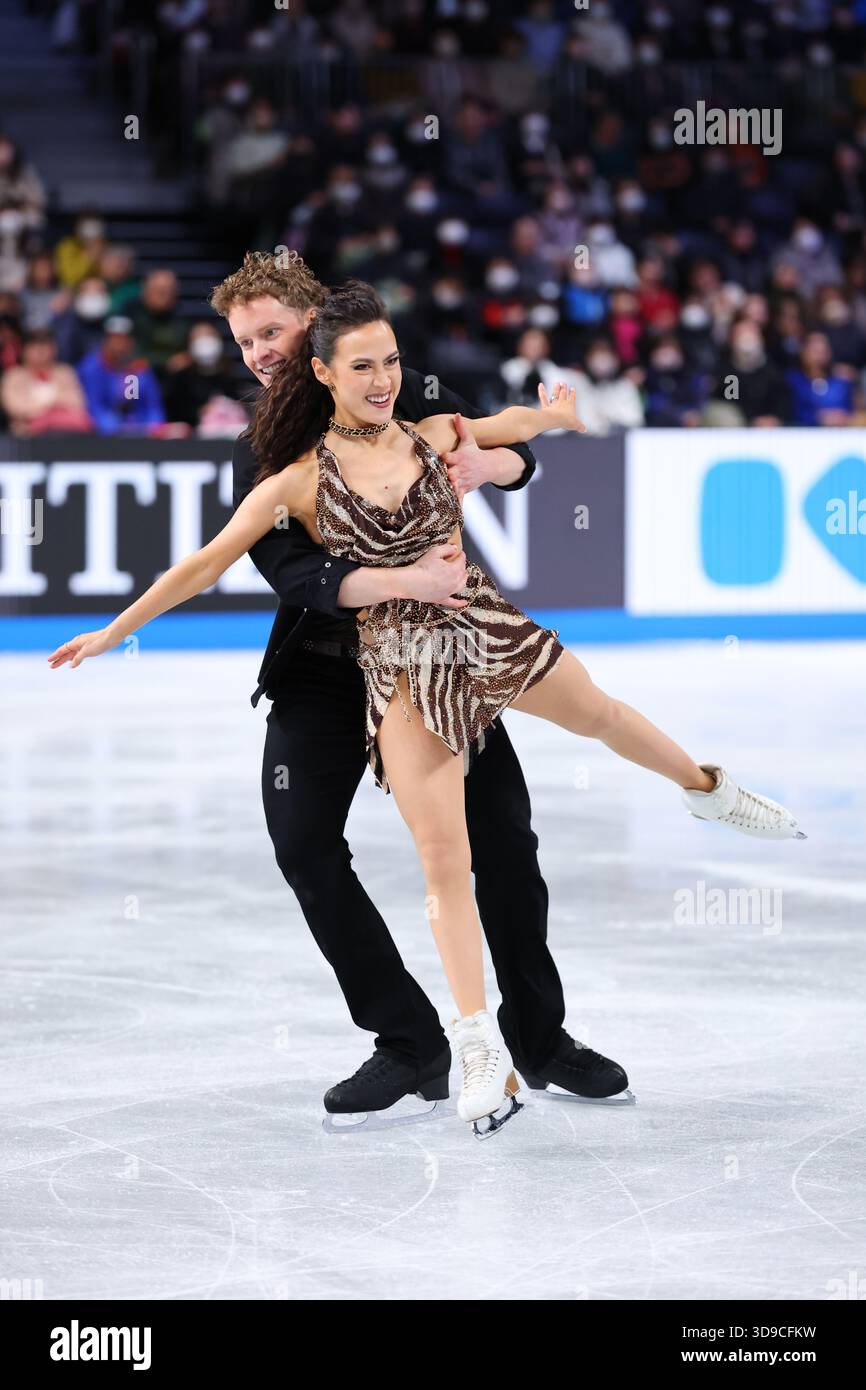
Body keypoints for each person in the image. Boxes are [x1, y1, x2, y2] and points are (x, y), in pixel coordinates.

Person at [48, 280, 805, 1137]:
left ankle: (545, 1033)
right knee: (330, 844)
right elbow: (266, 573)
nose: (258, 351)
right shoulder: (271, 460)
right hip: (347, 663)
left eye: (270, 332)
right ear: (330, 368)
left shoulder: (412, 401)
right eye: (243, 339)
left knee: (515, 833)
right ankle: (424, 1044)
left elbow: (508, 442)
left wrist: (526, 439)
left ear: (309, 331)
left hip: (470, 627)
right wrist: (115, 631)